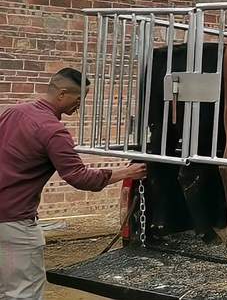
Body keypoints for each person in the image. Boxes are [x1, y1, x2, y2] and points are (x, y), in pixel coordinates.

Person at [0, 68, 147, 300]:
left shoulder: (13, 112)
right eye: (78, 98)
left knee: (5, 286)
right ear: (62, 94)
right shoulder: (53, 131)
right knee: (23, 292)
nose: (79, 105)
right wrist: (126, 172)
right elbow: (79, 177)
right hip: (15, 222)